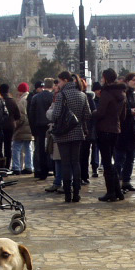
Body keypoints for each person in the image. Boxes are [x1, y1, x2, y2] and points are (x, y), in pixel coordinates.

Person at [50, 71, 91, 203]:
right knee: (75, 162)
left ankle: (68, 193)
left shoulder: (62, 95)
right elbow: (87, 114)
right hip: (77, 132)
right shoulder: (82, 95)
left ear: (65, 81)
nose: (59, 84)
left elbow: (55, 115)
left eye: (59, 81)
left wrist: (50, 115)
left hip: (63, 133)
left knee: (66, 163)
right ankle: (77, 193)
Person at [91, 68, 127, 202]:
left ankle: (111, 191)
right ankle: (117, 191)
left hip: (104, 129)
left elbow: (100, 112)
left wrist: (92, 113)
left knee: (107, 163)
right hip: (115, 129)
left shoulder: (106, 92)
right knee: (111, 161)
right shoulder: (122, 93)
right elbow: (123, 115)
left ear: (105, 78)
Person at [116, 72, 135, 192]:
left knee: (131, 158)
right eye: (133, 80)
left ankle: (126, 181)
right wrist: (130, 111)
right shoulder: (123, 93)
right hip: (122, 130)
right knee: (120, 158)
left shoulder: (132, 94)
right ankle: (115, 182)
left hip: (131, 129)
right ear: (127, 80)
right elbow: (119, 110)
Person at [29, 78, 54, 179]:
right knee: (50, 148)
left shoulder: (36, 97)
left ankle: (41, 171)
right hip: (49, 125)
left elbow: (31, 114)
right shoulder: (53, 97)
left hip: (38, 125)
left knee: (39, 149)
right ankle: (52, 168)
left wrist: (33, 128)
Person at [12, 82, 34, 175]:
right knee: (28, 148)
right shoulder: (31, 98)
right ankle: (29, 166)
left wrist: (15, 126)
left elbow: (20, 116)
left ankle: (16, 167)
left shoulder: (21, 101)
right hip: (30, 127)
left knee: (16, 147)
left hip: (22, 128)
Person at [0, 83, 21, 170]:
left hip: (0, 125)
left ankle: (0, 165)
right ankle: (8, 165)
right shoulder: (12, 101)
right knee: (8, 146)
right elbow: (18, 115)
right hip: (10, 125)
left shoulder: (0, 100)